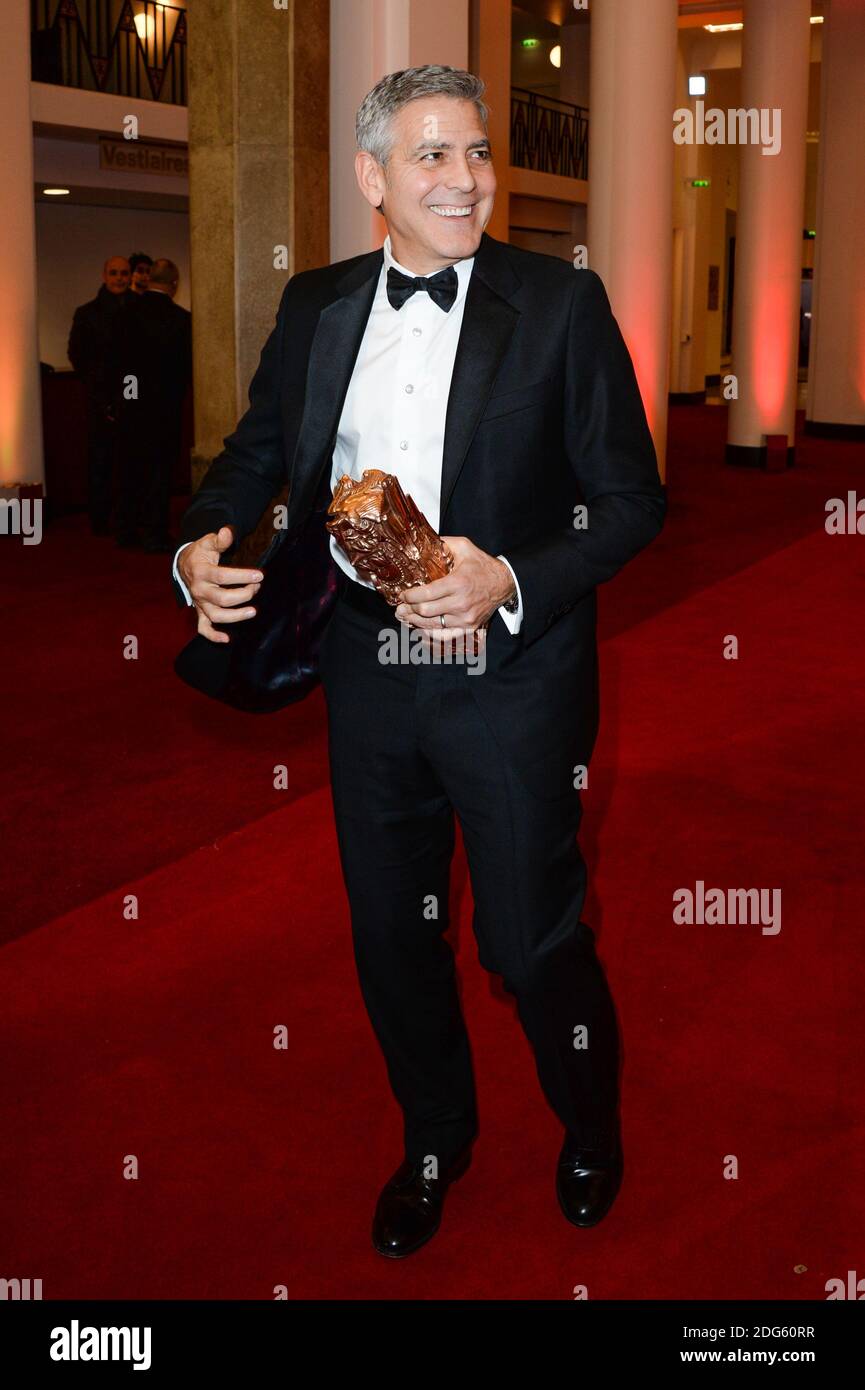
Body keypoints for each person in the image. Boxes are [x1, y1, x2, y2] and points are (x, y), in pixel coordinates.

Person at [172, 66, 665, 1259]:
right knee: (394, 933)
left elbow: (630, 501)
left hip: (515, 678)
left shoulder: (560, 305)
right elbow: (258, 453)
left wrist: (509, 576)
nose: (466, 179)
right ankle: (435, 1139)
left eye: (477, 153)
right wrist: (198, 542)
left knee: (527, 941)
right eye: (433, 156)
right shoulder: (317, 304)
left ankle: (589, 1123)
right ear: (372, 178)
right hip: (369, 673)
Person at [116, 258, 192, 551]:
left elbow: (116, 363)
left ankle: (125, 529)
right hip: (164, 409)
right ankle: (154, 532)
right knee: (159, 472)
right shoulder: (180, 320)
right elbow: (184, 369)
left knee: (129, 468)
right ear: (174, 285)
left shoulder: (126, 313)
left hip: (131, 406)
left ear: (148, 280)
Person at [67, 255, 131, 535]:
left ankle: (129, 517)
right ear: (105, 276)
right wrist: (99, 391)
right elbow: (77, 355)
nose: (119, 278)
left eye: (124, 273)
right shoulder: (87, 313)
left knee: (132, 463)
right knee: (101, 461)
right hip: (99, 399)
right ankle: (101, 520)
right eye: (114, 273)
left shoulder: (139, 310)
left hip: (135, 400)